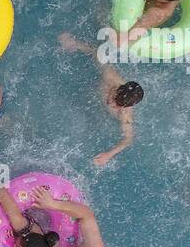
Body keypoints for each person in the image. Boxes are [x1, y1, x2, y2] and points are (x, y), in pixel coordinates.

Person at [59, 33, 143, 166]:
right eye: (114, 98)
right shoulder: (109, 75)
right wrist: (75, 44)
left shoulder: (125, 114)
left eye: (117, 105)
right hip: (89, 92)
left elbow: (128, 139)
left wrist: (109, 154)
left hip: (99, 113)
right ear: (118, 88)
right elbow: (96, 52)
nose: (112, 103)